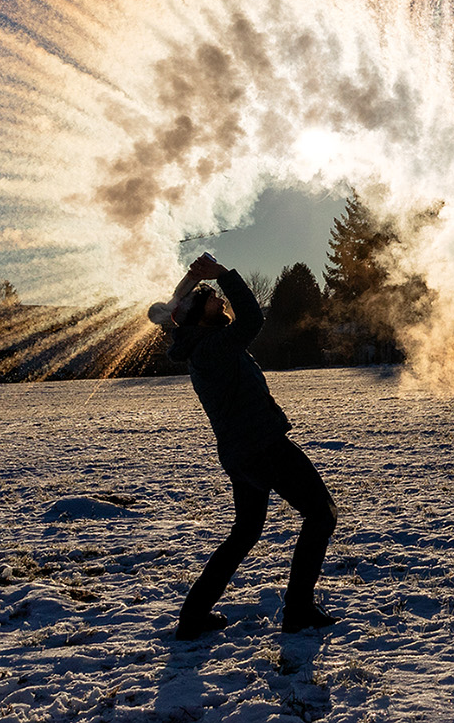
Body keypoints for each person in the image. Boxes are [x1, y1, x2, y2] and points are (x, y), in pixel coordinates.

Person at [161, 254, 338, 639]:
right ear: (198, 316)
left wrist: (206, 283)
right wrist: (223, 275)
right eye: (209, 297)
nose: (218, 299)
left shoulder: (208, 346)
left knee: (245, 532)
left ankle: (193, 618)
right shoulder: (211, 349)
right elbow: (254, 320)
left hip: (243, 454)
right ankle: (298, 611)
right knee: (321, 514)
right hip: (263, 448)